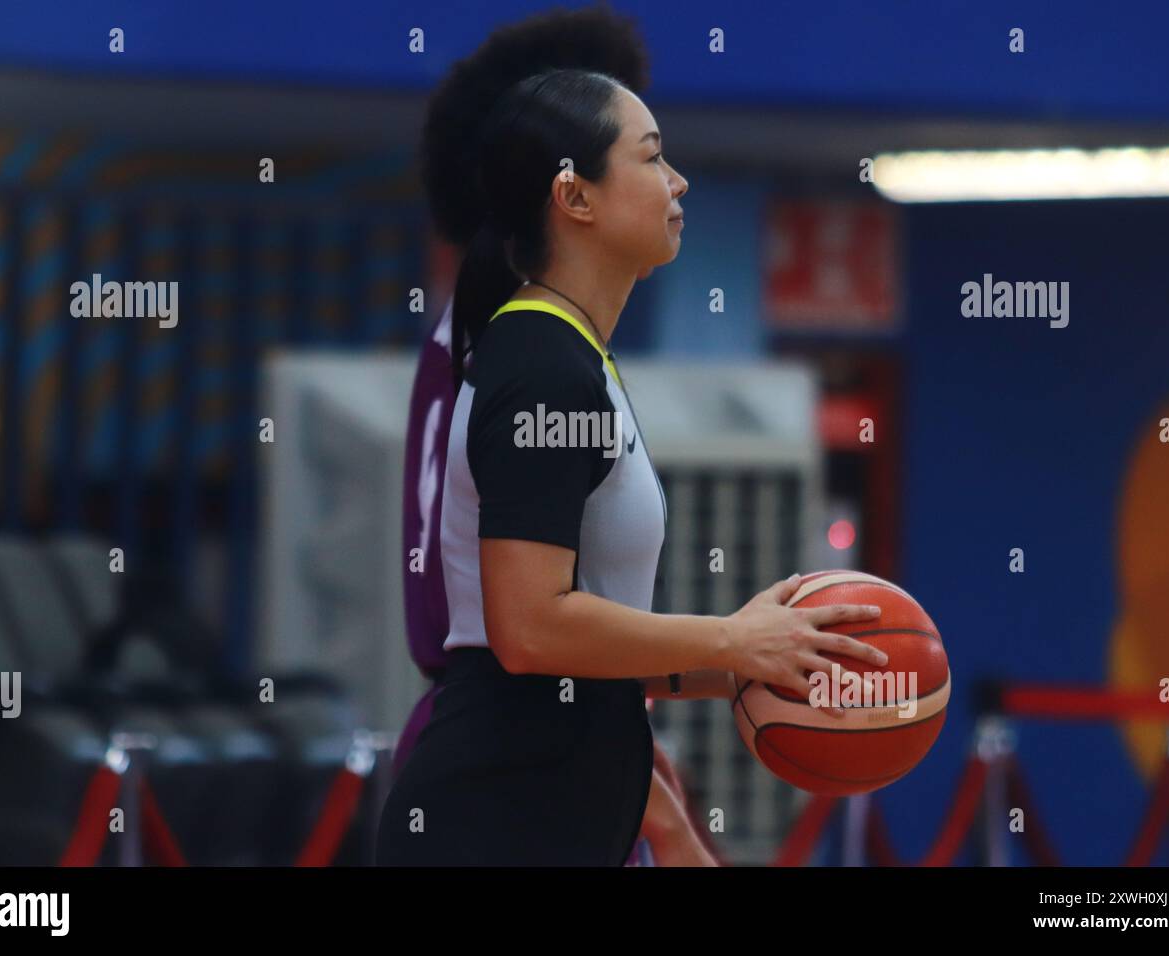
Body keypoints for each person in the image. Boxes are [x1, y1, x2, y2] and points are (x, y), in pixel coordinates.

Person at [377, 7, 885, 867]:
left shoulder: (572, 354)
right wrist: (728, 639)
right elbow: (530, 631)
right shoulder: (538, 360)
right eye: (652, 157)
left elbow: (571, 653)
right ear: (573, 196)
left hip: (555, 803)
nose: (679, 181)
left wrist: (761, 662)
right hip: (498, 816)